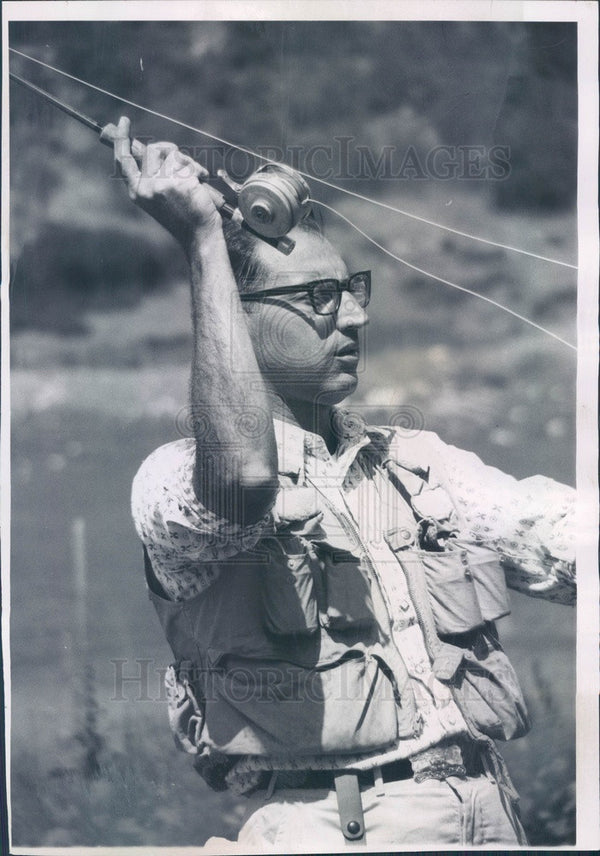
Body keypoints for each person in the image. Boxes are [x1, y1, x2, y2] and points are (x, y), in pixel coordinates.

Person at [109, 117, 576, 849]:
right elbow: (243, 479)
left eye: (354, 290)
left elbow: (565, 541)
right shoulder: (170, 478)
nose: (355, 317)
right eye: (320, 297)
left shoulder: (419, 464)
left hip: (492, 816)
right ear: (238, 315)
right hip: (340, 828)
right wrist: (204, 242)